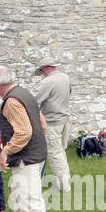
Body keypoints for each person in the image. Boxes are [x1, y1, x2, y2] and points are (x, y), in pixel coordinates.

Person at [0, 65, 53, 212]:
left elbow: (24, 132)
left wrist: (5, 152)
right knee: (21, 202)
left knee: (31, 205)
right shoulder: (25, 93)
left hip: (26, 159)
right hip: (34, 155)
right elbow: (42, 125)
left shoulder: (11, 101)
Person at [33, 57, 72, 195]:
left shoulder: (48, 81)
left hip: (52, 122)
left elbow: (33, 99)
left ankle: (64, 187)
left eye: (42, 70)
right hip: (64, 120)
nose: (42, 73)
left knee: (55, 155)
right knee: (60, 152)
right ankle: (64, 183)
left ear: (46, 68)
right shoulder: (65, 77)